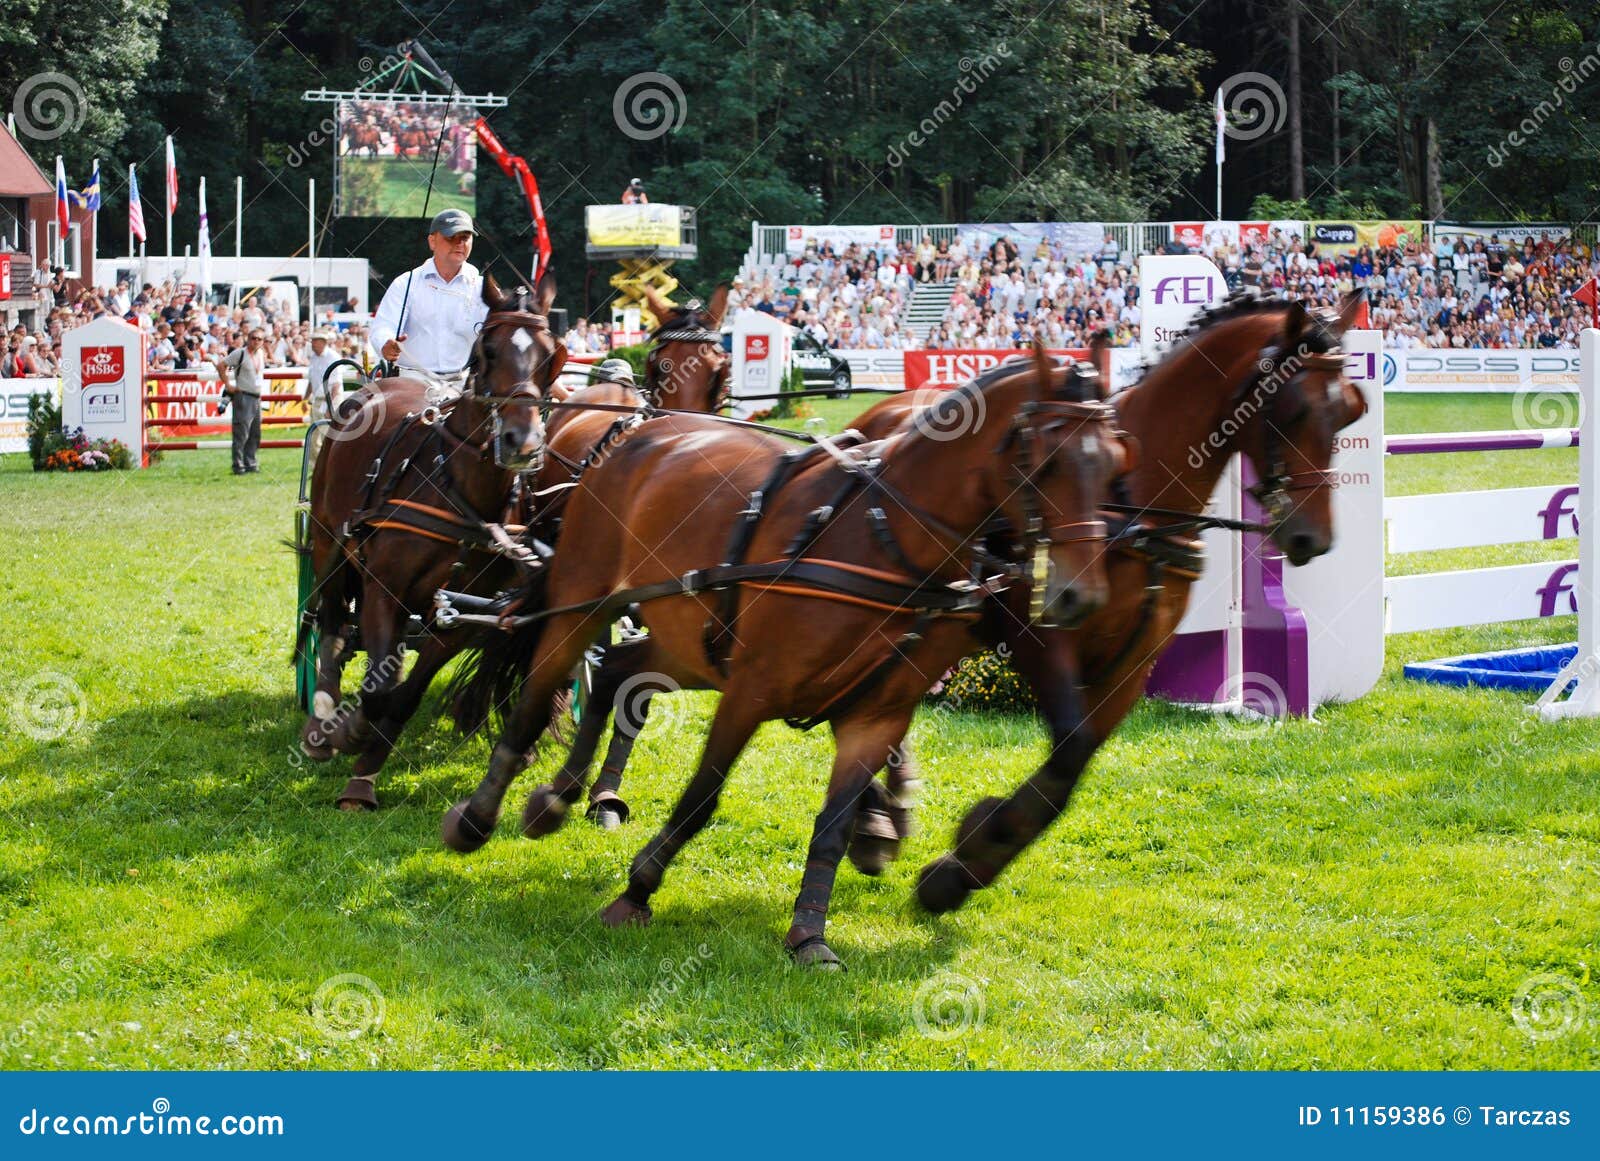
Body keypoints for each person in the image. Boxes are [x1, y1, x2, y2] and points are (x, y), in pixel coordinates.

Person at [368, 208, 489, 400]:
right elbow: (382, 327)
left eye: (465, 238)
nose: (459, 243)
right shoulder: (406, 283)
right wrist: (386, 344)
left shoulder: (484, 288)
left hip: (465, 386)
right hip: (412, 383)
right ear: (432, 241)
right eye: (452, 237)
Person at [219, 328, 268, 474]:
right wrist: (228, 384)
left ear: (262, 341)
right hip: (243, 395)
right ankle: (238, 464)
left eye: (259, 339)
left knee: (255, 432)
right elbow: (222, 365)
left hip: (256, 396)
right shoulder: (240, 353)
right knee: (241, 432)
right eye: (253, 338)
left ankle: (250, 462)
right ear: (248, 339)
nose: (256, 341)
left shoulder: (261, 354)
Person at [304, 328, 346, 464]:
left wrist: (331, 407)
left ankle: (328, 465)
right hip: (318, 399)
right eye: (312, 340)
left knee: (327, 434)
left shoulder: (333, 357)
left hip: (331, 398)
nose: (313, 343)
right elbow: (312, 380)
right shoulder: (314, 357)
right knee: (314, 435)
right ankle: (316, 467)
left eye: (315, 341)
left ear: (323, 342)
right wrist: (305, 399)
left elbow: (336, 385)